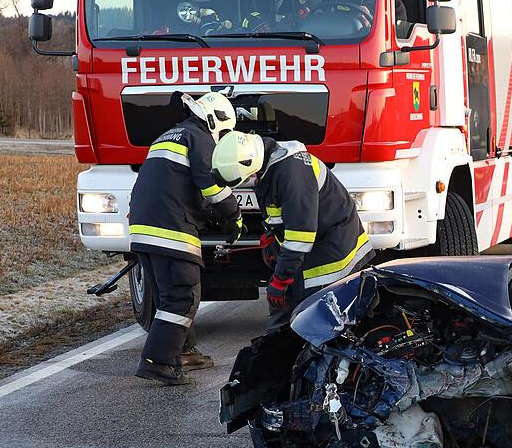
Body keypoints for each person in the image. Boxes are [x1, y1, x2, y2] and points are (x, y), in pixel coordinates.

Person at [129, 92, 241, 385]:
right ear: (215, 120)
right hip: (170, 229)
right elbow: (211, 185)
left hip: (143, 228)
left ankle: (184, 352)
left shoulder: (168, 135)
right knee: (182, 295)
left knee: (172, 296)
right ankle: (157, 362)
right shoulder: (199, 137)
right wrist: (233, 216)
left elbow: (175, 183)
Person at [211, 131, 373, 331]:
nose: (248, 182)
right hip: (315, 244)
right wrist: (271, 236)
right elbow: (280, 214)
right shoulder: (267, 167)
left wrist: (281, 279)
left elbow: (300, 236)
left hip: (333, 248)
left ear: (251, 166)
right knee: (293, 313)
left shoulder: (291, 174)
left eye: (246, 179)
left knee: (317, 317)